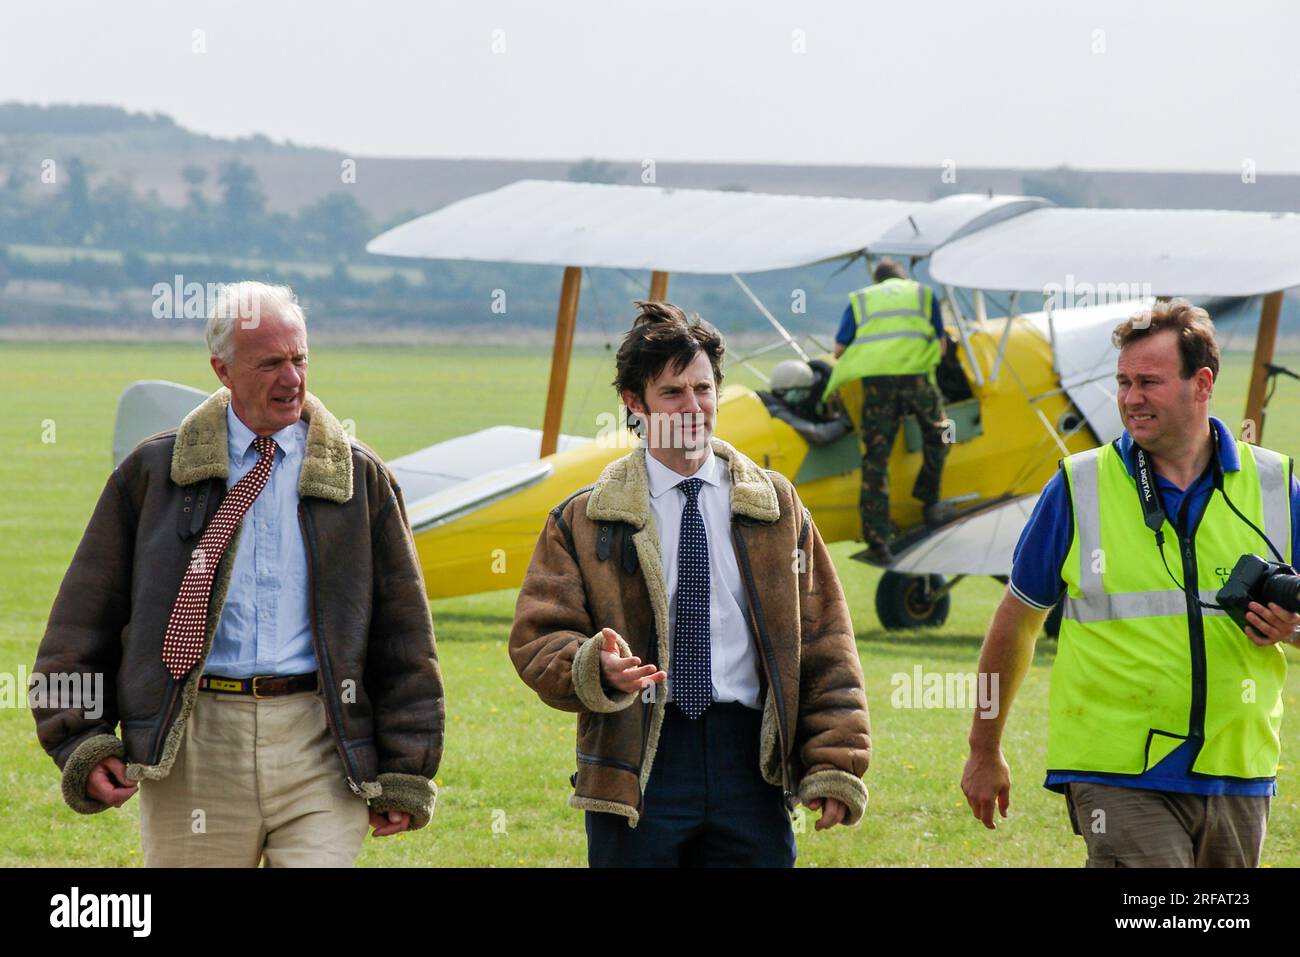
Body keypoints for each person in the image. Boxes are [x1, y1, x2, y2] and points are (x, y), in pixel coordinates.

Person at [31, 281, 444, 867]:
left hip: (320, 746)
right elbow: (82, 619)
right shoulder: (153, 473)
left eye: (299, 358)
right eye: (271, 363)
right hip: (194, 748)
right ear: (222, 369)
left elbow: (405, 634)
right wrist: (81, 740)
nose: (292, 378)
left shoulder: (358, 479)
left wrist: (405, 768)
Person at [509, 300, 871, 867]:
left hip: (751, 760)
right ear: (634, 404)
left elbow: (827, 641)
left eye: (703, 389)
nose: (693, 406)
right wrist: (591, 665)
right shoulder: (583, 519)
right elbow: (536, 639)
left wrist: (834, 762)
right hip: (637, 759)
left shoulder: (777, 507)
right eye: (672, 392)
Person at [961, 299, 1300, 867]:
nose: (1130, 399)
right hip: (1116, 771)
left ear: (1202, 383)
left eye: (1148, 382)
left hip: (1238, 770)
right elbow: (1016, 624)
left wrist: (1293, 630)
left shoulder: (1276, 486)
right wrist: (983, 748)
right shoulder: (1078, 485)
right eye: (1123, 382)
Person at [822, 259, 952, 566]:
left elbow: (839, 350)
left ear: (876, 280)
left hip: (878, 386)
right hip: (916, 378)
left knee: (876, 459)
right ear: (902, 277)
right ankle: (930, 501)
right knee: (941, 433)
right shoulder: (923, 295)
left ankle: (877, 539)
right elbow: (942, 345)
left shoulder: (861, 299)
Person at [759, 358, 854, 446]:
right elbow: (819, 435)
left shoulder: (765, 401)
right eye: (804, 391)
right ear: (793, 390)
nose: (806, 396)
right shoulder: (776, 411)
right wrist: (846, 421)